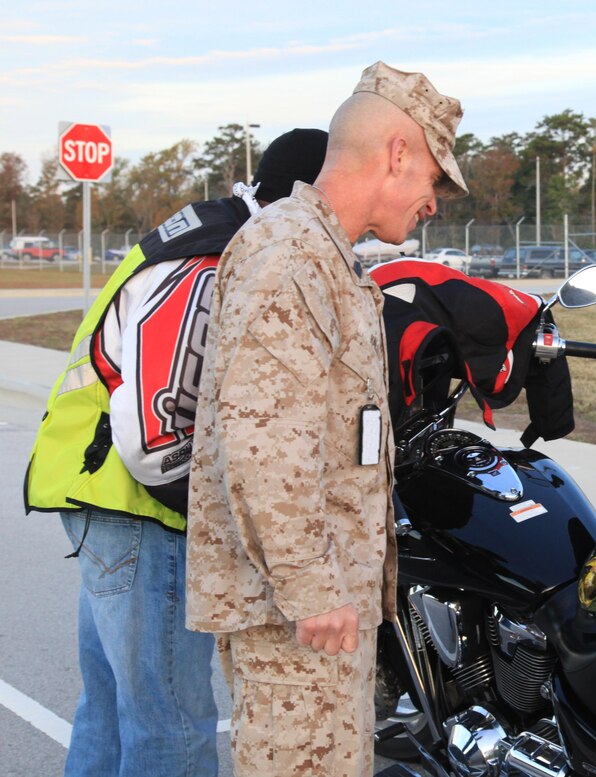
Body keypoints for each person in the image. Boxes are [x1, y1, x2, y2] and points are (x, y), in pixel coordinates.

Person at [184, 61, 467, 777]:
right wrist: (313, 586)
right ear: (397, 152)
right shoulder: (290, 251)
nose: (435, 200)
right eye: (435, 177)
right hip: (296, 614)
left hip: (318, 606)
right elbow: (264, 440)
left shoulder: (324, 253)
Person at [23, 128, 329, 777]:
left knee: (110, 714)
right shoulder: (217, 257)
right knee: (170, 728)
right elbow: (155, 436)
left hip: (103, 498)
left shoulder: (217, 236)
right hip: (141, 515)